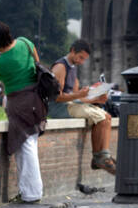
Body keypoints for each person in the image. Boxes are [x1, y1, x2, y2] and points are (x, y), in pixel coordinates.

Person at [0, 22, 45, 203]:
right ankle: (27, 190)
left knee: (25, 145)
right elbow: (37, 63)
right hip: (36, 99)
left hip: (19, 103)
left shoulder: (2, 61)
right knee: (28, 143)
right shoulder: (25, 43)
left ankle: (32, 193)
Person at [49, 39, 116, 175]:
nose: (81, 62)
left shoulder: (73, 69)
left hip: (70, 104)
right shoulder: (60, 67)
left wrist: (96, 99)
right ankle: (100, 157)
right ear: (72, 51)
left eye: (84, 59)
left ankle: (102, 156)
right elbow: (56, 97)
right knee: (100, 117)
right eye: (80, 58)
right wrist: (79, 94)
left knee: (107, 116)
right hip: (59, 107)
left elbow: (77, 96)